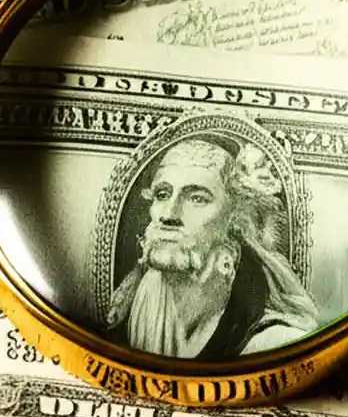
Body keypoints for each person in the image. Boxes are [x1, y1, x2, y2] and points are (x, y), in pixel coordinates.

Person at [106, 134, 320, 359]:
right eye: (162, 194)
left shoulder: (273, 343)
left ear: (235, 222)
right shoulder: (133, 312)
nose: (169, 215)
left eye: (197, 198)